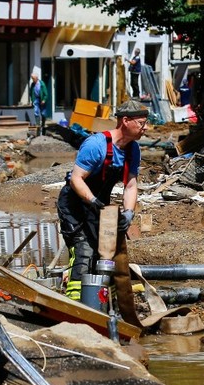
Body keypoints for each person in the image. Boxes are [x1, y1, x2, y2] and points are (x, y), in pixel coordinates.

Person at [56, 100, 148, 301]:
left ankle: (106, 301)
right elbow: (76, 179)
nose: (146, 127)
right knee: (84, 250)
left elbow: (130, 185)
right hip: (75, 205)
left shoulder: (133, 150)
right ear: (126, 121)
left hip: (98, 206)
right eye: (142, 123)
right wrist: (93, 200)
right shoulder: (96, 145)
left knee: (104, 253)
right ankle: (75, 303)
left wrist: (129, 212)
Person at [30, 70, 49, 136]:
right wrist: (32, 100)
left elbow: (46, 93)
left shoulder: (42, 84)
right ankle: (38, 124)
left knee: (43, 113)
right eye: (32, 78)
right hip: (36, 99)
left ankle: (43, 123)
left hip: (41, 99)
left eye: (33, 78)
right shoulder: (32, 84)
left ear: (37, 78)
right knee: (36, 112)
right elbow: (31, 92)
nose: (33, 79)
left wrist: (44, 100)